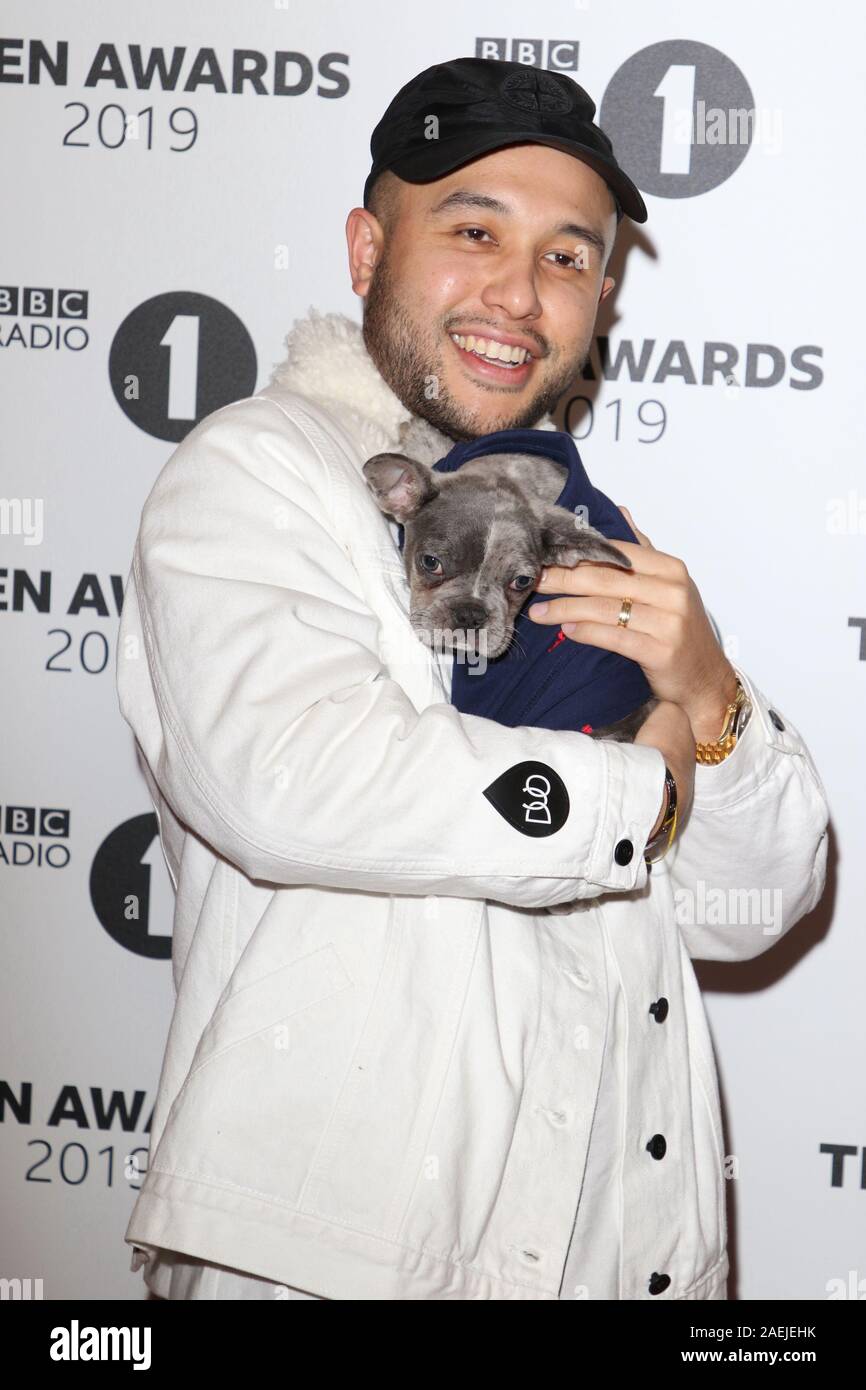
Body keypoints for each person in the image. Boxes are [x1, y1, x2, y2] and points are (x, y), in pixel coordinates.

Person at [117, 57, 830, 1301]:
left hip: (618, 1253)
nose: (517, 290)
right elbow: (298, 783)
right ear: (364, 247)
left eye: (565, 255)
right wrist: (640, 784)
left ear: (598, 298)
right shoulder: (257, 472)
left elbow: (753, 903)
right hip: (339, 1264)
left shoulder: (579, 526)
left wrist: (705, 695)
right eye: (471, 229)